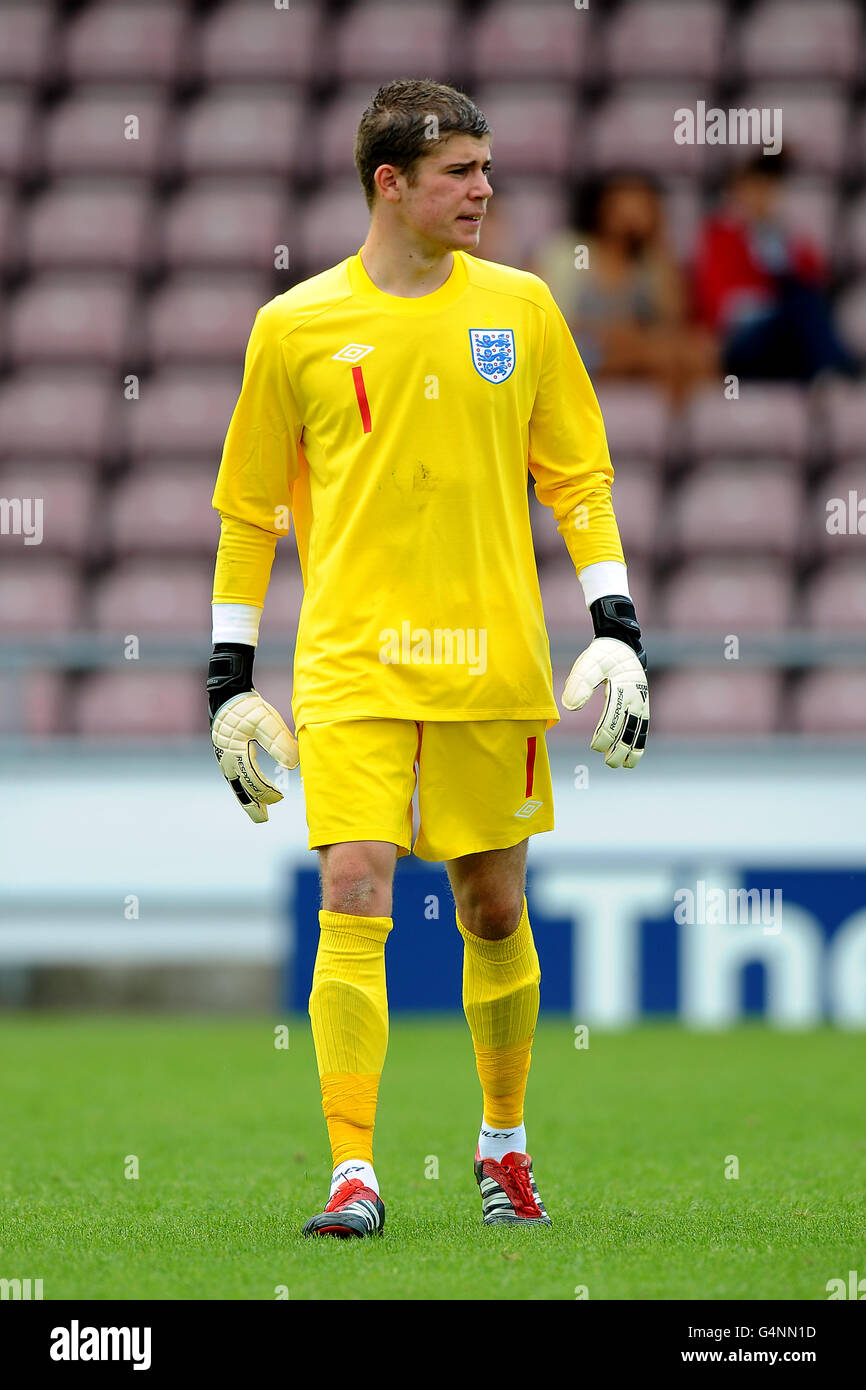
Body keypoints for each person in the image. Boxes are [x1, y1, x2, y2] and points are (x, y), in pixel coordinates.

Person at [206, 78, 649, 1239]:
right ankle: (351, 1170)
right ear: (388, 184)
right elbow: (248, 513)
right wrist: (226, 678)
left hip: (489, 660)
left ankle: (500, 1142)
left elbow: (579, 478)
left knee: (492, 906)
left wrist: (615, 627)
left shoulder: (523, 309)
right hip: (350, 663)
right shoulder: (292, 326)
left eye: (487, 170)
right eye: (460, 172)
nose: (484, 190)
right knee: (353, 881)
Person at [530, 172, 717, 404]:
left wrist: (658, 250)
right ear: (603, 208)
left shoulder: (650, 260)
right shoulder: (569, 252)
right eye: (626, 206)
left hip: (637, 349)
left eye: (645, 207)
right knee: (659, 357)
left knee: (698, 352)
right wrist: (615, 335)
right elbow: (546, 324)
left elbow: (673, 321)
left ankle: (692, 427)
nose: (635, 215)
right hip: (578, 351)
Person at [693, 151, 856, 382]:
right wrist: (775, 309)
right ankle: (839, 370)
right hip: (741, 343)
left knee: (805, 305)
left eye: (770, 186)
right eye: (755, 185)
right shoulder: (720, 236)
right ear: (738, 190)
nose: (763, 193)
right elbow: (722, 308)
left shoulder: (786, 238)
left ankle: (832, 374)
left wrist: (776, 239)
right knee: (801, 306)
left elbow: (816, 280)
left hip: (786, 339)